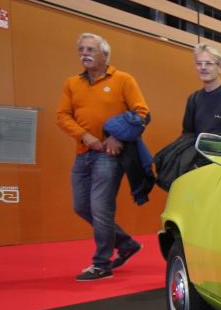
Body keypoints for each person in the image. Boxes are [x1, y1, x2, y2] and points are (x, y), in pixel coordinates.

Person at [55, 32, 150, 281]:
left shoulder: (123, 80)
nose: (84, 54)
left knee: (101, 208)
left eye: (91, 49)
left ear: (105, 55)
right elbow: (62, 116)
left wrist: (117, 138)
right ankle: (125, 243)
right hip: (83, 153)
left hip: (110, 155)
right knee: (81, 206)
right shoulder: (71, 83)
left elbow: (142, 113)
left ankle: (101, 264)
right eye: (82, 49)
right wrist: (85, 136)